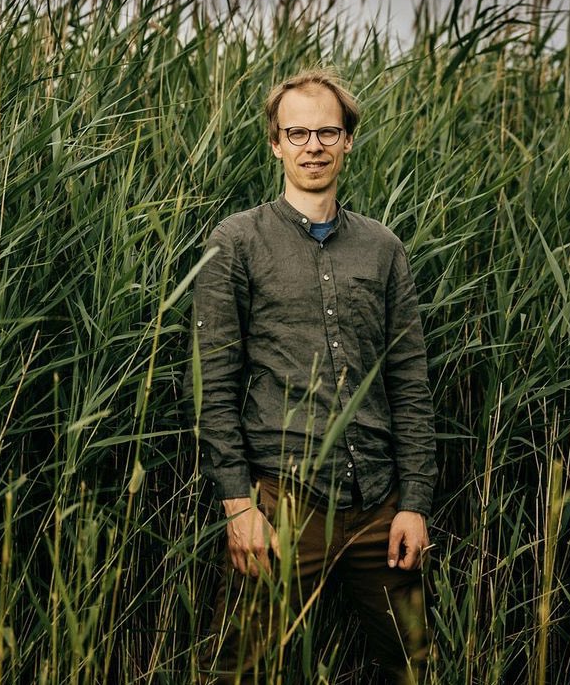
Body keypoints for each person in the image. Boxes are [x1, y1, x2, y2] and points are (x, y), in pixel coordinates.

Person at [185, 69, 437, 683]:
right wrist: (238, 504)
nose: (313, 145)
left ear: (348, 140)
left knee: (414, 668)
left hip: (381, 507)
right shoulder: (238, 241)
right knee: (245, 672)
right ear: (275, 143)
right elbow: (212, 381)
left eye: (327, 131)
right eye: (297, 132)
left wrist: (416, 503)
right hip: (282, 505)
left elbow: (408, 380)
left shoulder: (383, 248)